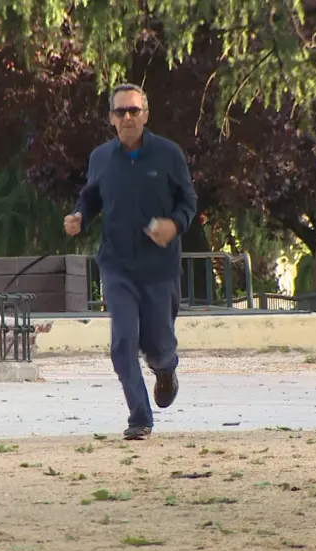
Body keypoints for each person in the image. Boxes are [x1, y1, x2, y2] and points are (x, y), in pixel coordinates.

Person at [63, 83, 198, 440]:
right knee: (123, 342)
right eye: (120, 111)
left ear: (146, 114)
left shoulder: (169, 155)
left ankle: (165, 369)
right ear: (111, 118)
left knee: (158, 344)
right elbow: (90, 197)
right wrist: (79, 216)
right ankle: (140, 417)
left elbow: (188, 201)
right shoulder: (101, 158)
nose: (127, 117)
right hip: (117, 265)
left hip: (159, 268)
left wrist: (174, 225)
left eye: (134, 110)